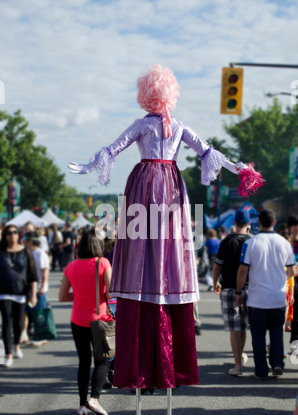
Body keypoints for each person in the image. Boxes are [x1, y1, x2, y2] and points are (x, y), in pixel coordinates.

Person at [68, 64, 263, 392]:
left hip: (146, 181)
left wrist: (90, 166)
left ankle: (151, 278)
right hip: (170, 181)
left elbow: (113, 149)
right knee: (167, 238)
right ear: (169, 95)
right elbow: (208, 151)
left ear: (146, 94)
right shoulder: (178, 126)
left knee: (145, 236)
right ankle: (160, 277)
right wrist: (239, 167)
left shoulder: (142, 125)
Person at [58, 228, 114, 415]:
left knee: (83, 361)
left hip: (78, 319)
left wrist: (81, 295)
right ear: (99, 244)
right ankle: (95, 398)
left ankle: (82, 405)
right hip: (99, 320)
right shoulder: (103, 263)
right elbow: (111, 292)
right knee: (102, 360)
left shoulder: (71, 266)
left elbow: (62, 296)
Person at [236, 209, 295, 379]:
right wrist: (280, 279)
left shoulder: (251, 243)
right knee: (277, 332)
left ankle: (261, 370)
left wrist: (239, 292)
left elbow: (242, 271)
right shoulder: (285, 244)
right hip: (278, 297)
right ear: (274, 223)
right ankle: (277, 364)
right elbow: (291, 270)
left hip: (257, 298)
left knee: (258, 334)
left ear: (258, 223)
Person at [212, 208, 252, 376]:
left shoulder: (227, 241)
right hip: (250, 289)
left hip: (229, 289)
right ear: (249, 224)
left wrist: (215, 282)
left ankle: (237, 365)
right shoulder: (252, 241)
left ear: (234, 223)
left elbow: (217, 266)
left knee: (235, 328)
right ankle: (240, 357)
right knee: (242, 327)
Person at [0, 224, 37, 367]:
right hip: (3, 293)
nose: (12, 235)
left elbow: (32, 275)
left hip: (21, 293)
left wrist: (33, 295)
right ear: (5, 235)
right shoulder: (1, 251)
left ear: (19, 235)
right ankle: (8, 354)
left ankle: (16, 346)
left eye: (15, 232)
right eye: (9, 233)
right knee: (6, 323)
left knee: (18, 323)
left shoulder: (25, 251)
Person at [287, 215, 298, 354]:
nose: (296, 227)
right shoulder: (287, 243)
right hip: (290, 282)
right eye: (294, 225)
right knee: (294, 316)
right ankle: (294, 343)